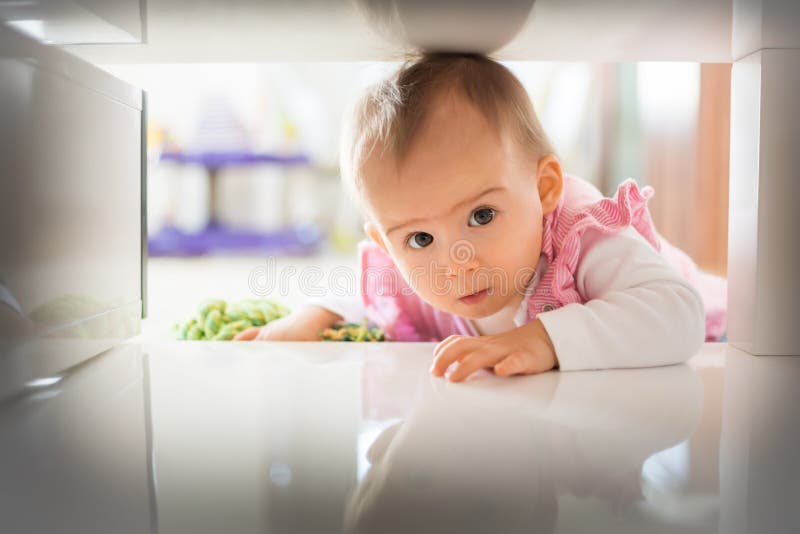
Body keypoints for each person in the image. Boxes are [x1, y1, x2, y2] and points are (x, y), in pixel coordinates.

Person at [235, 53, 726, 382]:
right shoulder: (422, 272)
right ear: (387, 246)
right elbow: (374, 296)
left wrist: (546, 339)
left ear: (544, 188)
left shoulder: (582, 233)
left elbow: (677, 314)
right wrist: (315, 317)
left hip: (716, 337)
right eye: (420, 239)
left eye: (482, 214)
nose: (456, 263)